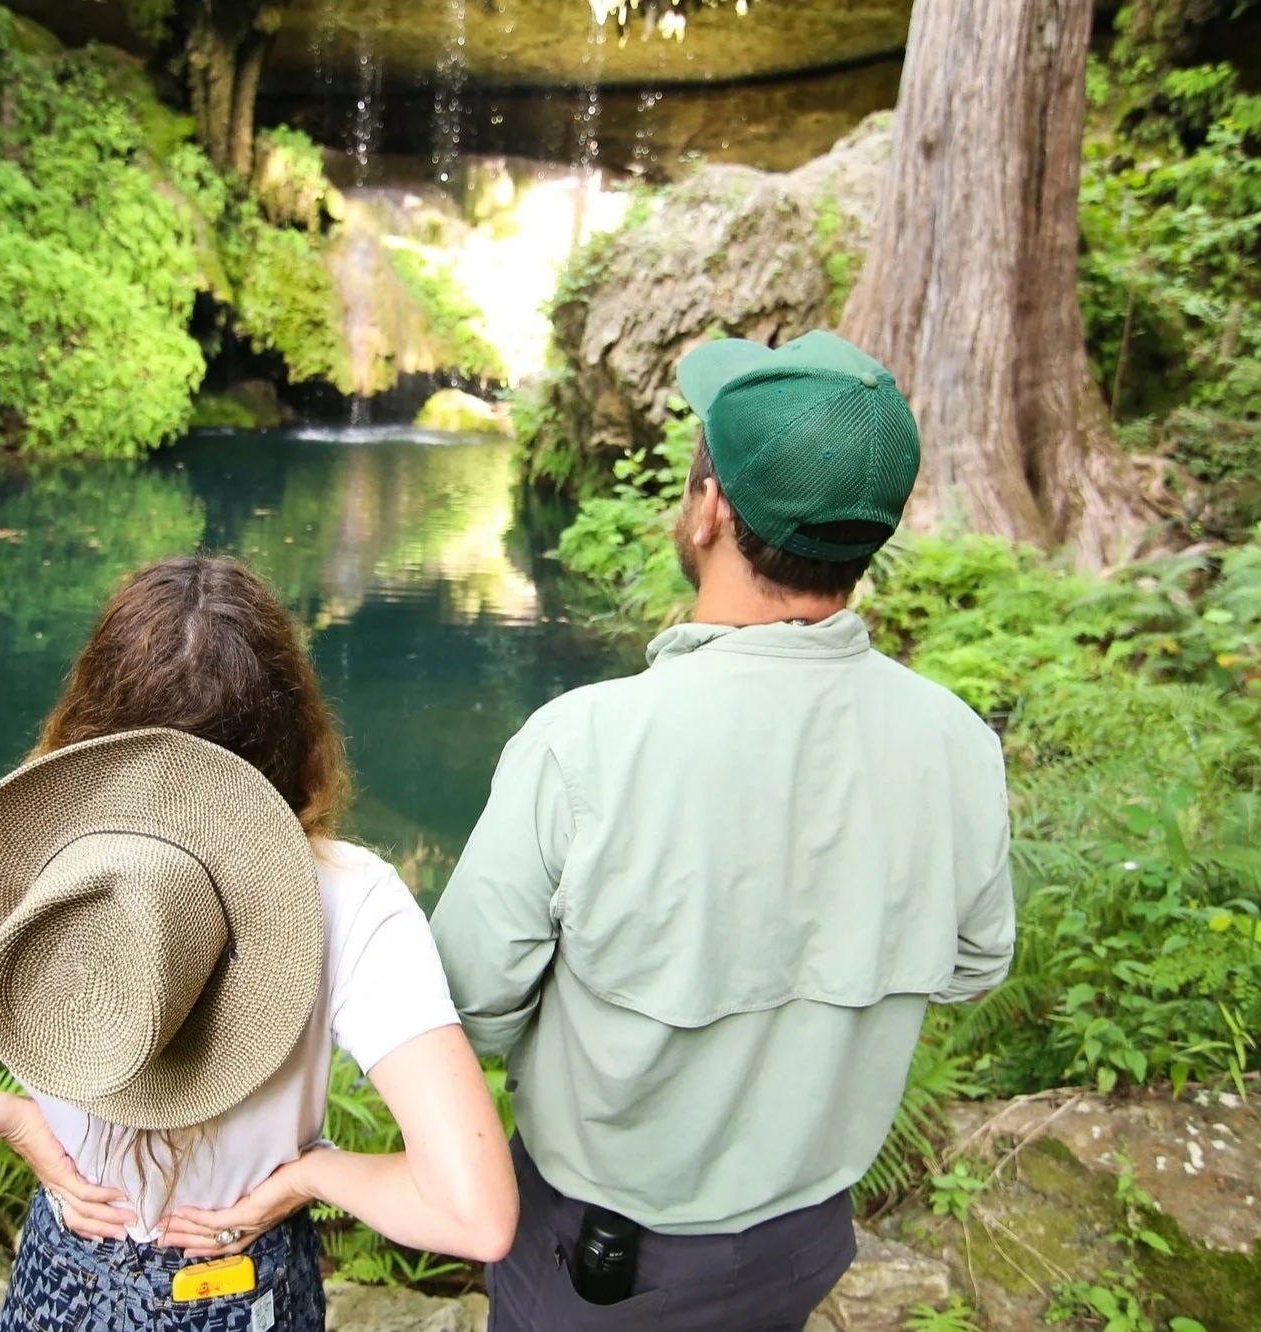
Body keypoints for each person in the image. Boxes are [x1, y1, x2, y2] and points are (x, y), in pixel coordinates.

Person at [0, 556, 517, 1332]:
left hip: (62, 1284)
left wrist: (7, 1118)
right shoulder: (352, 895)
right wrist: (306, 1176)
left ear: (89, 722)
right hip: (247, 1283)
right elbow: (472, 1214)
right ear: (295, 734)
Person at [430, 331, 1016, 1331]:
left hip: (599, 1262)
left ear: (707, 510)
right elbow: (972, 962)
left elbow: (469, 1003)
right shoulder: (954, 742)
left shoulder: (588, 745)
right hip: (804, 1242)